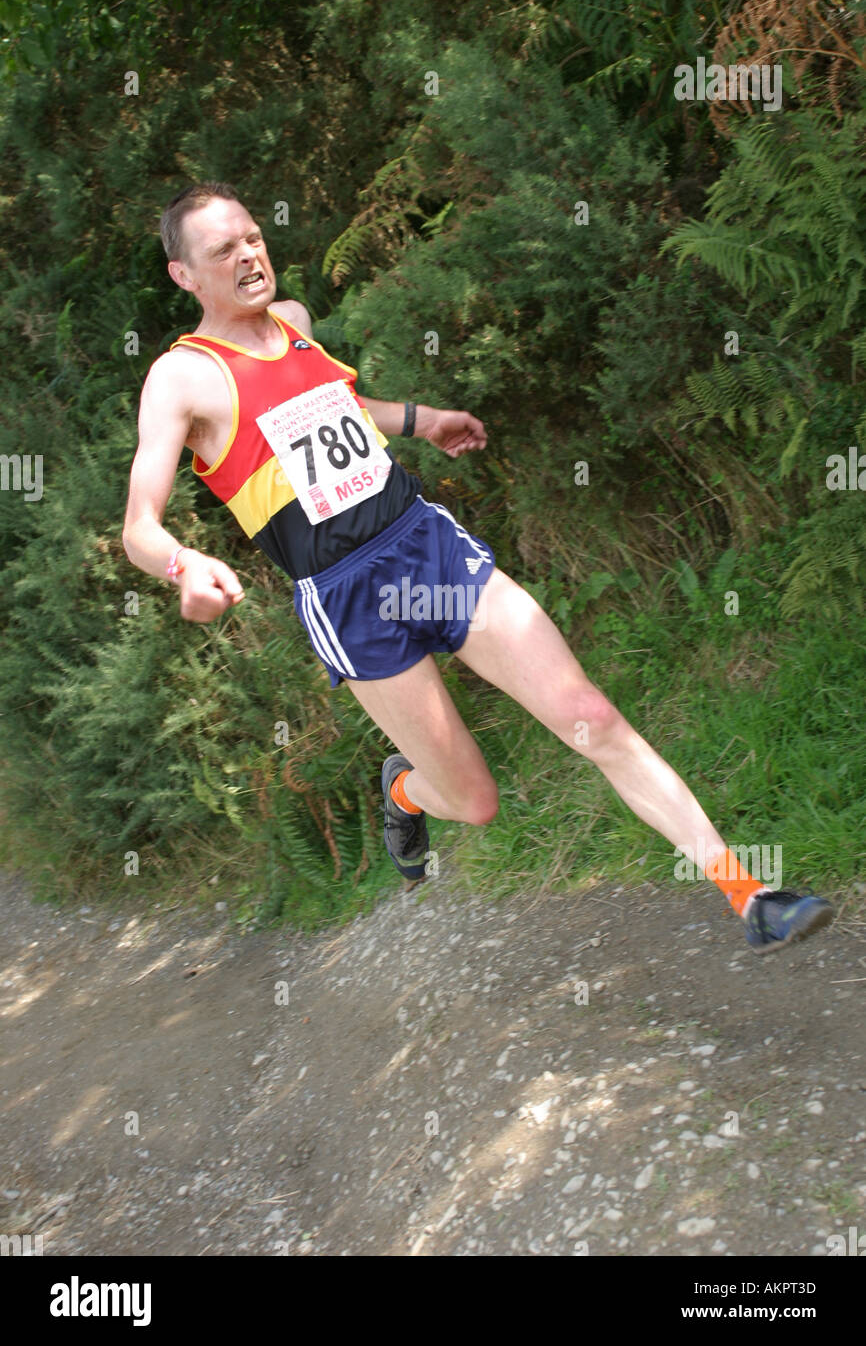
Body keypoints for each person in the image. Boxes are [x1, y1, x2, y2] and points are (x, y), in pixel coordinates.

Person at [122, 182, 833, 955]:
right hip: (347, 596)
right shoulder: (182, 378)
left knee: (588, 714)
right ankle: (403, 789)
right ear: (184, 276)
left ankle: (748, 894)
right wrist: (182, 562)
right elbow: (139, 525)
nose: (248, 255)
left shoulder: (293, 324)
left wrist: (427, 421)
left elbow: (339, 410)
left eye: (252, 237)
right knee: (476, 801)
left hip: (423, 544)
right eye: (222, 250)